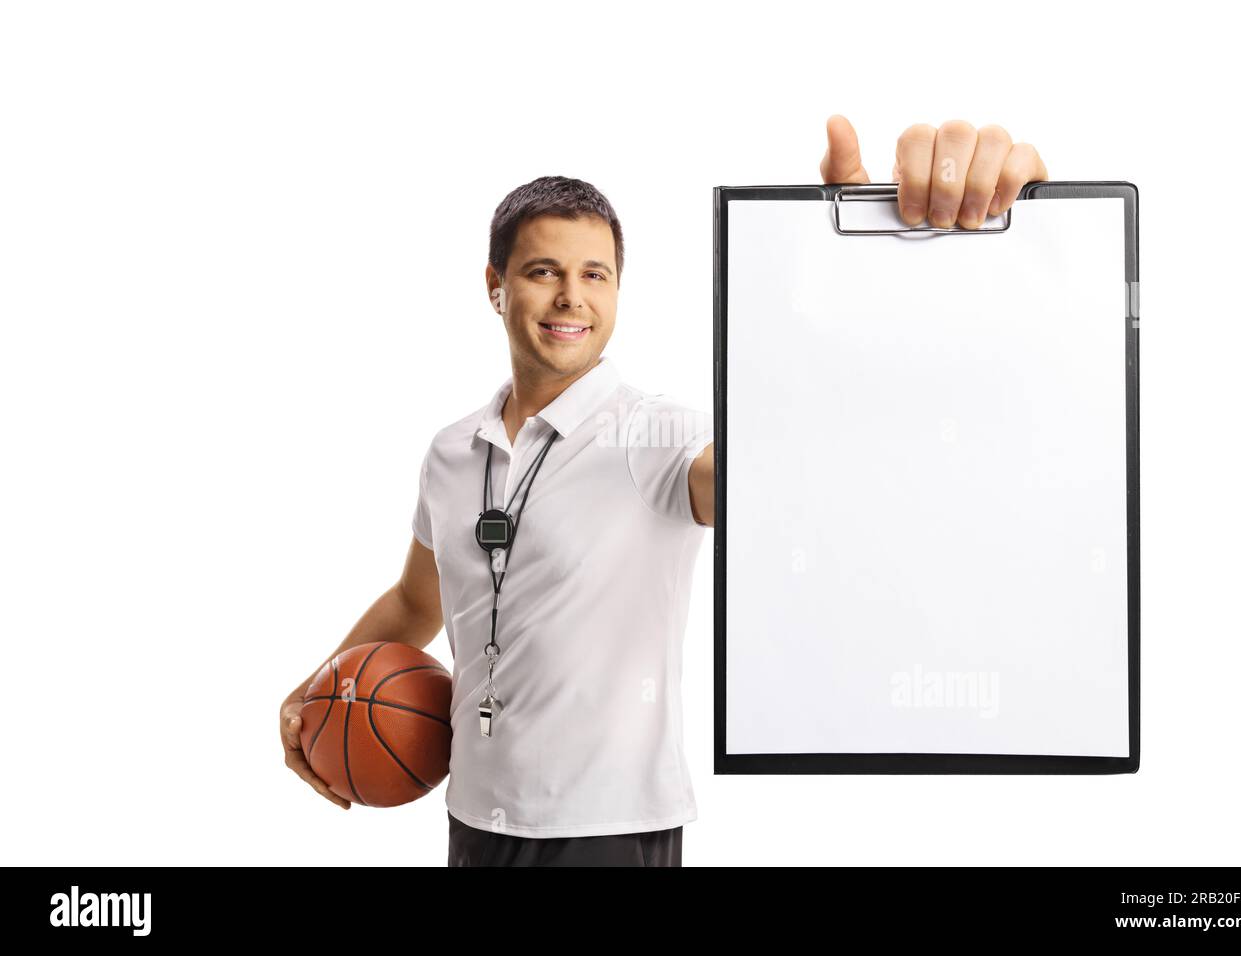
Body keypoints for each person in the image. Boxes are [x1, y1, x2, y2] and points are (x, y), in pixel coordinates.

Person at [279, 116, 1049, 866]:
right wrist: (315, 692)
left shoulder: (656, 438)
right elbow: (418, 603)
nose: (570, 297)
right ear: (496, 284)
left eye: (595, 275)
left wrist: (876, 284)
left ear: (617, 290)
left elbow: (790, 470)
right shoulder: (451, 453)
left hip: (611, 829)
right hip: (475, 816)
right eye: (544, 271)